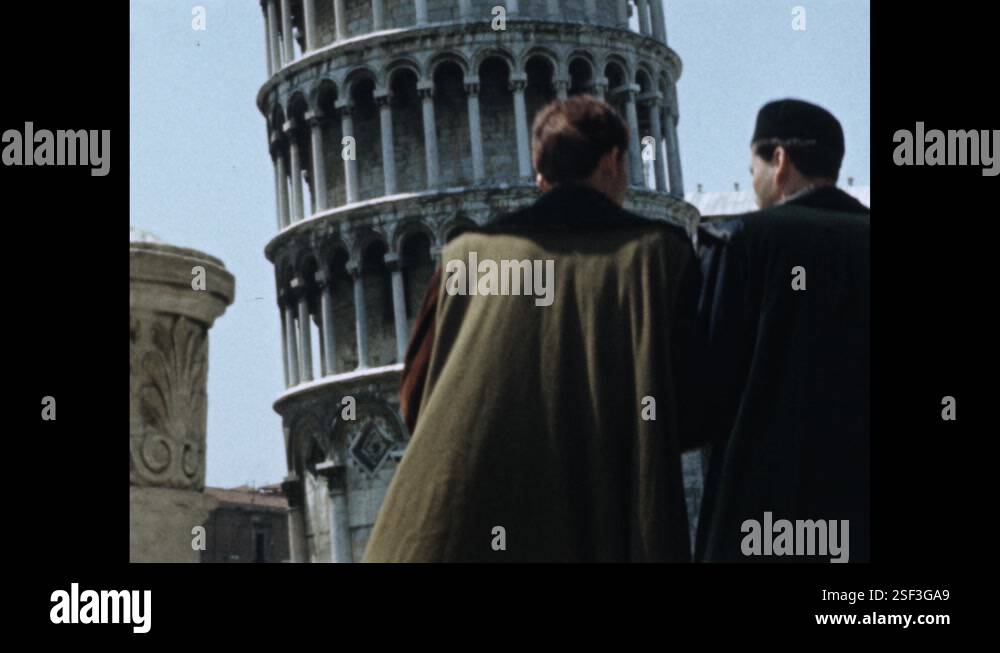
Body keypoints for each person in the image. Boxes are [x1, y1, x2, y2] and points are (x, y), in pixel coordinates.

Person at [363, 95, 701, 562]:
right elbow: (696, 409)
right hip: (597, 526)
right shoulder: (657, 257)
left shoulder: (466, 257)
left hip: (451, 534)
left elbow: (415, 397)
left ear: (542, 177)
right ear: (612, 163)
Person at [692, 99, 870, 562]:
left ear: (779, 160)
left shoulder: (740, 242)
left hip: (763, 513)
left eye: (753, 167)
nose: (751, 182)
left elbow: (702, 398)